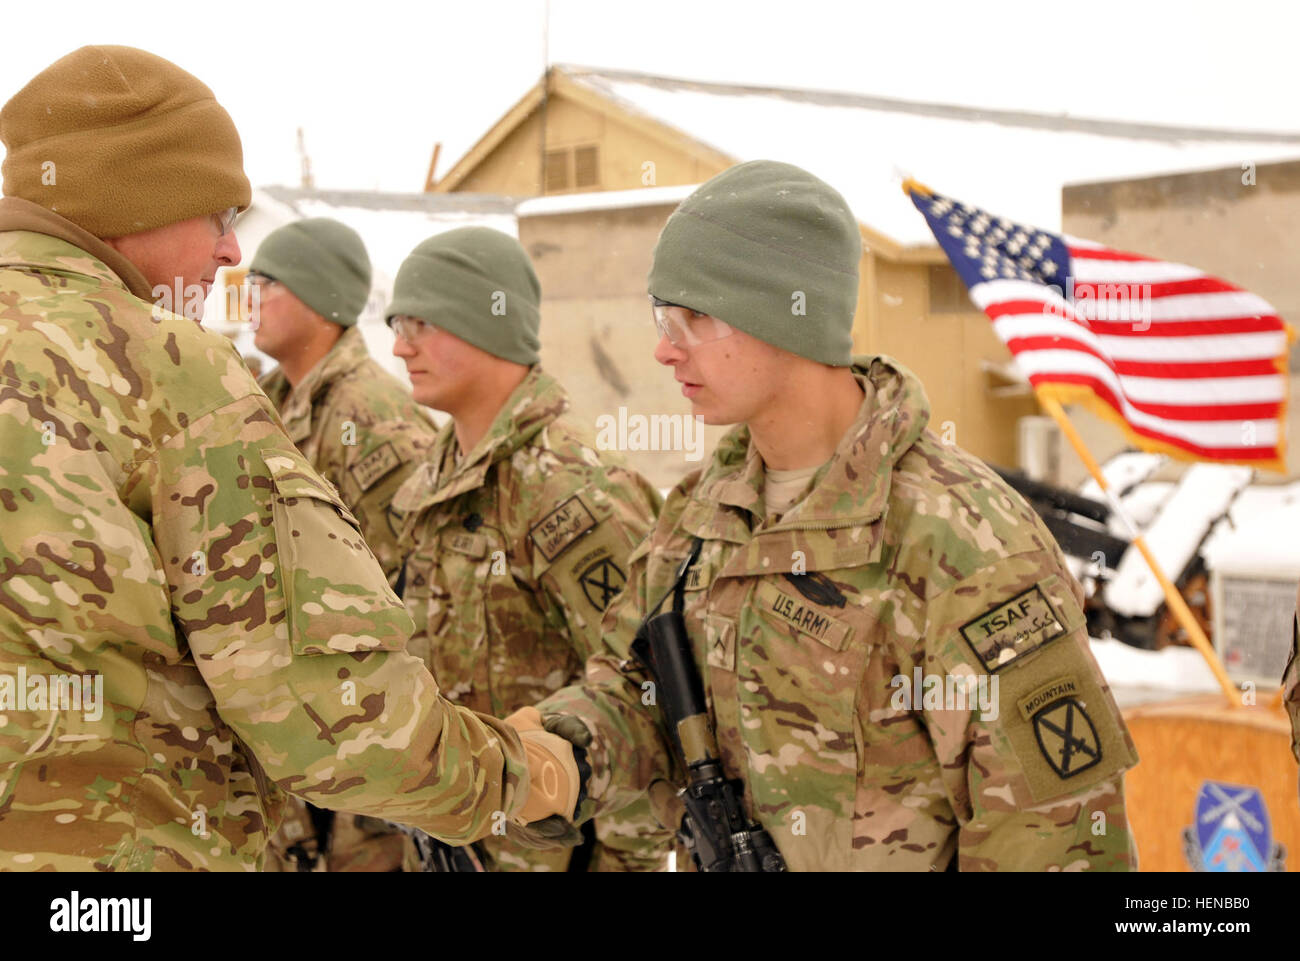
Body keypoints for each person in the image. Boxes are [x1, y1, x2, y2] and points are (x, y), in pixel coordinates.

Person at [0, 44, 571, 871]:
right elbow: (332, 716)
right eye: (219, 218)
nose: (230, 257)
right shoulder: (168, 372)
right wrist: (523, 774)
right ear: (137, 200)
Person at [530, 160, 1141, 871]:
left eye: (694, 317)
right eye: (663, 318)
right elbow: (639, 692)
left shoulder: (962, 537)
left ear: (779, 313)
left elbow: (1057, 837)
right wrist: (557, 751)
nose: (666, 348)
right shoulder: (700, 516)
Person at [387, 227, 673, 871]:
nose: (400, 346)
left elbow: (642, 699)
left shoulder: (569, 489)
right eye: (397, 323)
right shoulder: (437, 481)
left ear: (487, 322)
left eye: (422, 322)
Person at [247, 218, 438, 871]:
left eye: (266, 282)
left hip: (360, 739)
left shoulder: (370, 414)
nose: (251, 296)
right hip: (297, 732)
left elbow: (415, 586)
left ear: (318, 296)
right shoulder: (267, 403)